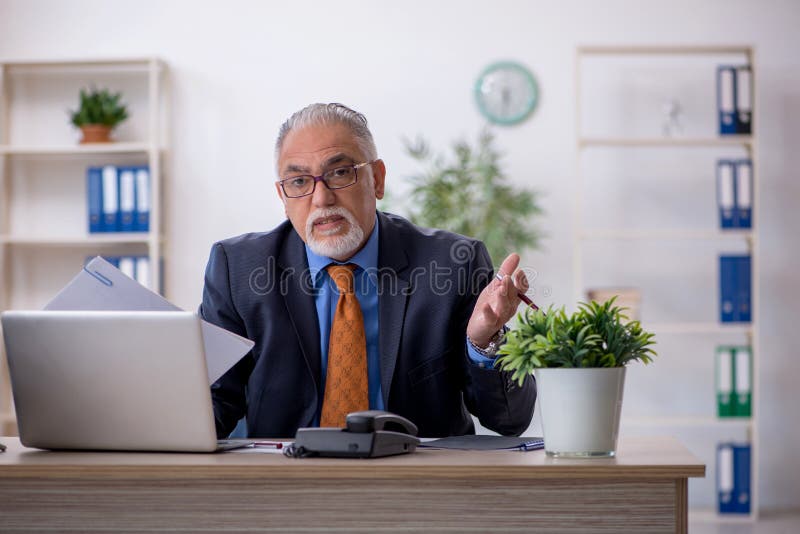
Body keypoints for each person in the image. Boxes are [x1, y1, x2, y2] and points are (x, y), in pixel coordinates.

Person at [200, 103, 536, 438]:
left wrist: (483, 342)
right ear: (283, 197)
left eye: (340, 172)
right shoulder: (238, 269)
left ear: (376, 179)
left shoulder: (452, 264)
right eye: (300, 181)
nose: (321, 198)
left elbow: (510, 420)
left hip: (416, 480)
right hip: (287, 482)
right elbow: (212, 406)